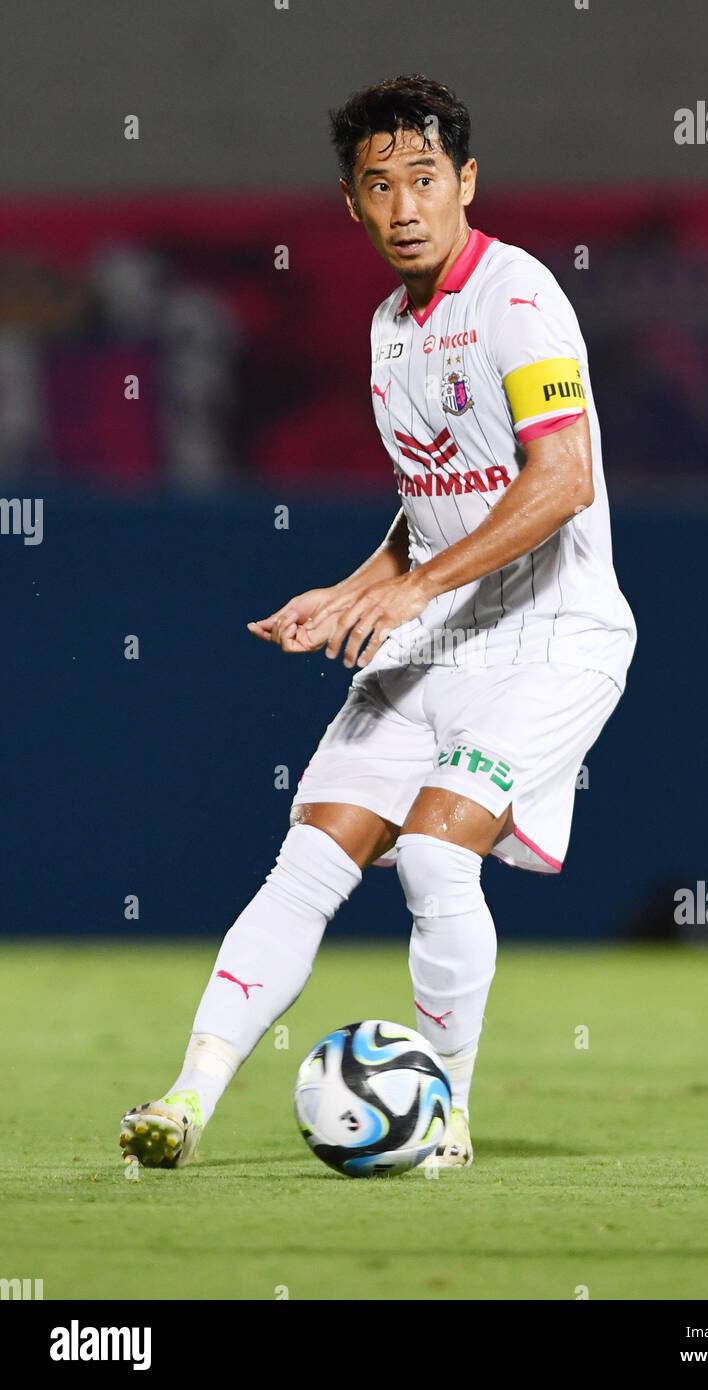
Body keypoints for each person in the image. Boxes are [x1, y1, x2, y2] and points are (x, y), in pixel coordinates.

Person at [119, 73, 636, 1171]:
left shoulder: (520, 296)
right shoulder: (387, 328)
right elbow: (429, 500)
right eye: (378, 186)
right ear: (350, 205)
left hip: (554, 632)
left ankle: (442, 1117)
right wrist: (359, 587)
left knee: (437, 862)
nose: (404, 205)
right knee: (309, 859)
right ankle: (185, 1099)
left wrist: (405, 593)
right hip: (440, 628)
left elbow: (562, 482)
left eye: (424, 179)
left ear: (465, 182)